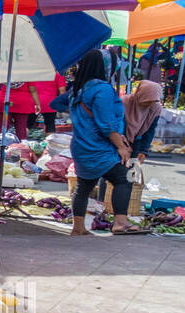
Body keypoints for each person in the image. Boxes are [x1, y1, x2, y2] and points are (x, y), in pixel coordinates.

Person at [58, 50, 142, 237]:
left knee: (84, 186)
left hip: (81, 145)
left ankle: (78, 228)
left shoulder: (78, 89)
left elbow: (57, 103)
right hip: (98, 147)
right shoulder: (102, 90)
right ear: (106, 67)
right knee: (124, 177)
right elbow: (106, 124)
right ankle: (120, 222)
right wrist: (121, 146)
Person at [124, 79, 163, 164]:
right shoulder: (124, 103)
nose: (149, 104)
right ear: (140, 94)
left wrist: (144, 151)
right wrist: (122, 145)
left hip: (137, 141)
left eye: (153, 101)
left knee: (131, 169)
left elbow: (150, 130)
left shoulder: (155, 108)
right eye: (147, 100)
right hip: (119, 140)